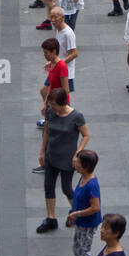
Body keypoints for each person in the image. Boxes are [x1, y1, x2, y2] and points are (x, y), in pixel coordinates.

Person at [35, 86, 89, 233]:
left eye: (54, 104)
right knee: (48, 186)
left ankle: (75, 212)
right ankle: (51, 218)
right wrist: (42, 152)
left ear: (63, 103)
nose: (52, 107)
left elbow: (86, 135)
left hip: (67, 158)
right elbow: (46, 131)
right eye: (50, 104)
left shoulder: (76, 116)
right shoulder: (51, 112)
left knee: (66, 188)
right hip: (51, 155)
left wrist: (78, 152)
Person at [69, 148, 102, 256]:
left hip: (88, 224)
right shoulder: (83, 178)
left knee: (83, 252)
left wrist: (77, 214)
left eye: (78, 161)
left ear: (86, 166)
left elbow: (95, 207)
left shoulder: (91, 184)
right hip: (80, 221)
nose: (75, 162)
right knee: (77, 249)